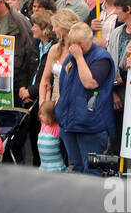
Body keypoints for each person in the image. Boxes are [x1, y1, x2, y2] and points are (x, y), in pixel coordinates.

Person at [55, 23, 116, 174]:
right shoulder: (70, 59)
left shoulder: (102, 58)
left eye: (79, 43)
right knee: (77, 169)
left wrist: (79, 57)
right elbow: (62, 86)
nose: (76, 46)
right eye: (72, 43)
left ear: (90, 39)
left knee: (93, 172)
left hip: (92, 126)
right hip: (69, 124)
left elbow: (90, 83)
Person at [37, 101, 67, 172]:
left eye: (43, 114)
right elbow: (42, 102)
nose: (40, 116)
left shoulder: (57, 128)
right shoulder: (43, 125)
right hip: (44, 166)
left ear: (51, 116)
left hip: (56, 167)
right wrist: (47, 91)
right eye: (40, 113)